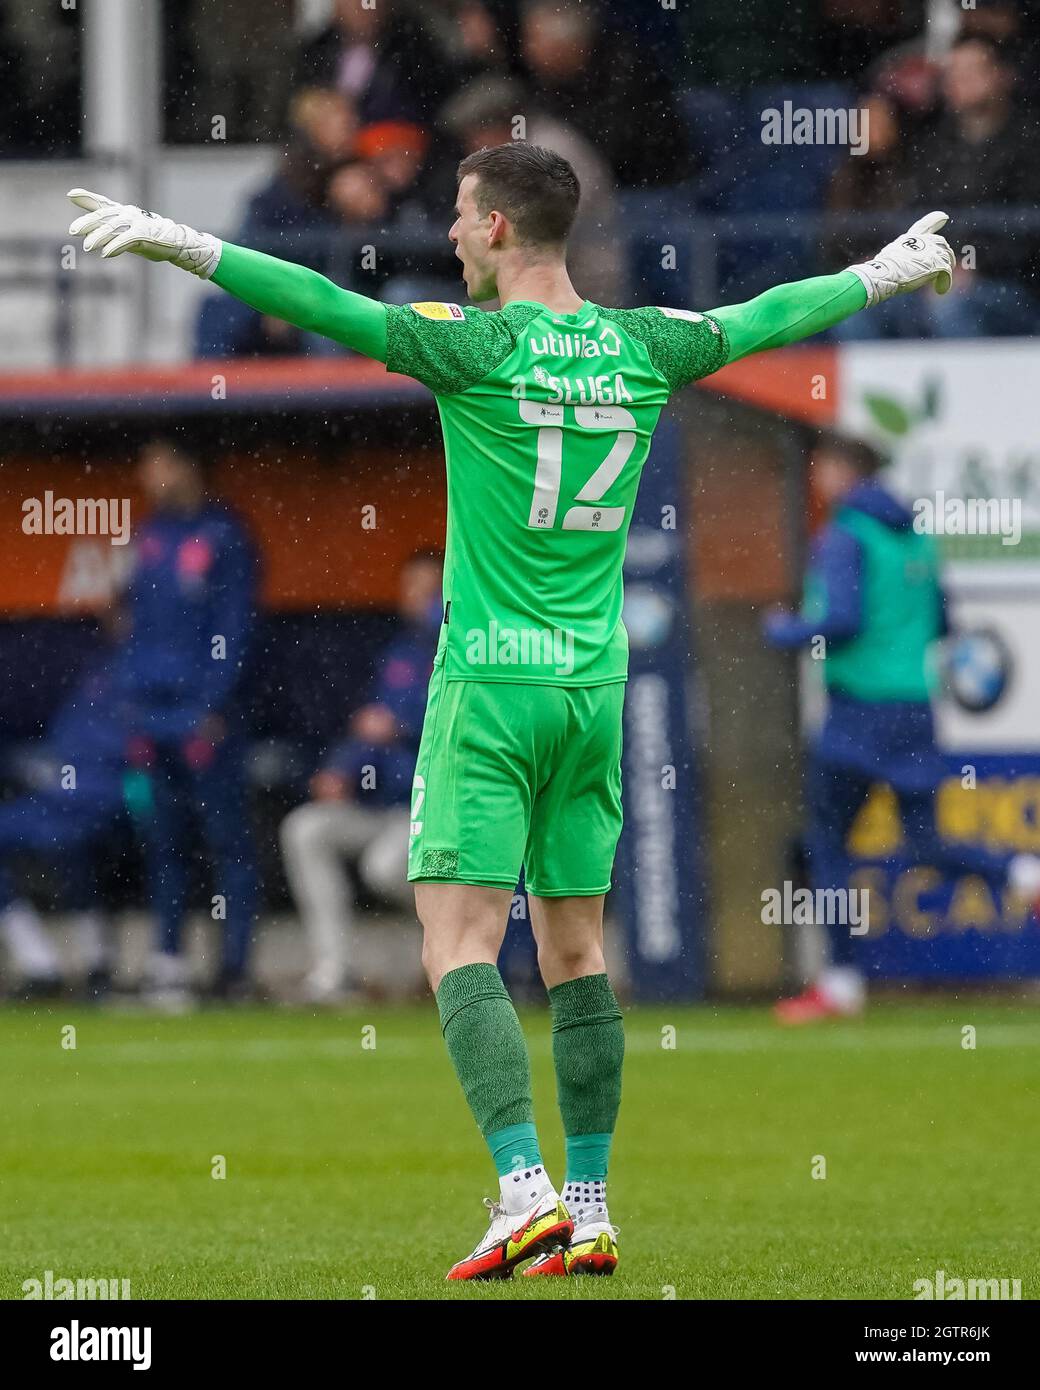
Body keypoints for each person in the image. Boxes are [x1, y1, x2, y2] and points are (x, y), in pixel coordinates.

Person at [68, 145, 956, 1277]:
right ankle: (588, 1204)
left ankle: (522, 1187)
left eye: (453, 215)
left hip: (489, 684)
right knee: (579, 948)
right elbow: (768, 311)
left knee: (456, 943)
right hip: (590, 687)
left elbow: (325, 303)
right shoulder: (643, 344)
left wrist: (183, 244)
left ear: (493, 227)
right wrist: (882, 272)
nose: (444, 233)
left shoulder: (473, 346)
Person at [764, 435, 1040, 1023]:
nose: (817, 477)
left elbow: (839, 623)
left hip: (856, 715)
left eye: (823, 466)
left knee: (828, 845)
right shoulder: (918, 538)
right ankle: (1023, 872)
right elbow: (944, 621)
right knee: (926, 842)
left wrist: (782, 630)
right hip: (914, 712)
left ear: (843, 470)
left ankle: (841, 984)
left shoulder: (845, 535)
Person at [116, 438, 260, 1007]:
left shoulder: (225, 535)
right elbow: (132, 623)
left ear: (188, 465)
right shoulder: (149, 536)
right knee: (162, 841)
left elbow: (236, 629)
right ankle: (169, 962)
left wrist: (211, 705)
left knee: (228, 843)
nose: (147, 476)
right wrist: (132, 706)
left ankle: (234, 970)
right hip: (151, 717)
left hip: (205, 720)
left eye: (158, 464)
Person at [279, 551, 442, 1004]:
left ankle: (450, 957)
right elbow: (370, 724)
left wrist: (405, 725)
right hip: (385, 806)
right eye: (412, 589)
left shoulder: (470, 648)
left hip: (436, 810)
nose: (417, 600)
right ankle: (335, 972)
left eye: (430, 591)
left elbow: (458, 729)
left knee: (386, 868)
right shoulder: (403, 653)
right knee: (306, 829)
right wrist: (339, 770)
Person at [0, 650, 127, 999]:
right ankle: (37, 963)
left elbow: (132, 757)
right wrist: (42, 775)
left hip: (106, 799)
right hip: (54, 799)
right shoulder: (95, 674)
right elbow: (60, 751)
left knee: (70, 844)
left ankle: (98, 958)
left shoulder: (142, 673)